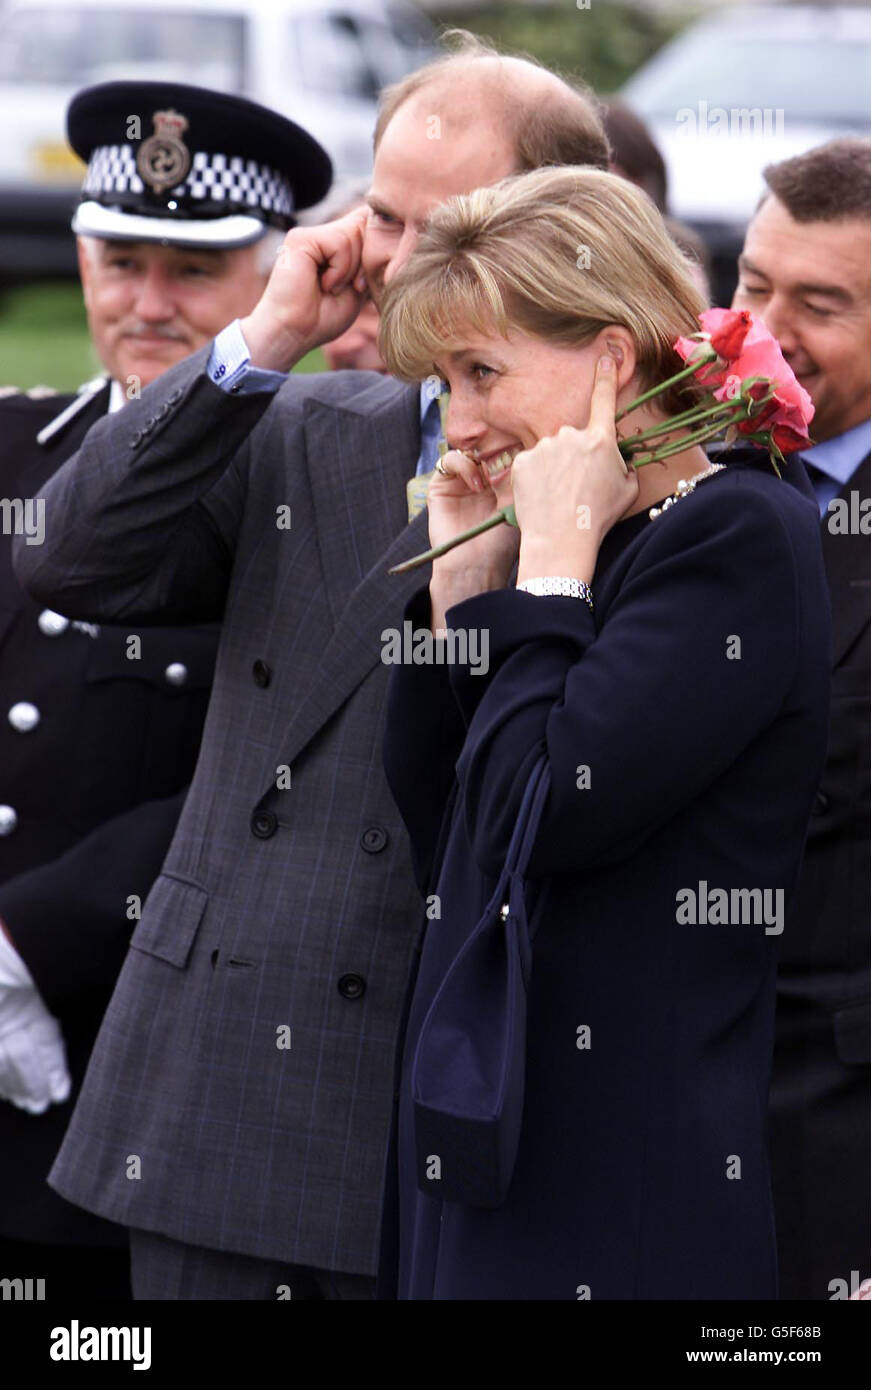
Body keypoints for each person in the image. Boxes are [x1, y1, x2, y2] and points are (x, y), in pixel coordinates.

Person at [12, 33, 611, 1301]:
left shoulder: (649, 472)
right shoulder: (303, 421)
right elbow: (71, 561)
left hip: (465, 1102)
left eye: (434, 227)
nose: (387, 260)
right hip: (230, 1100)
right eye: (378, 213)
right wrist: (262, 338)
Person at [373, 165, 832, 1300]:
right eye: (444, 381)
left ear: (612, 357)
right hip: (490, 1130)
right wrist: (466, 595)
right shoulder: (580, 548)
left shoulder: (732, 532)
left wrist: (545, 576)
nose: (461, 422)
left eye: (482, 372)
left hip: (618, 1162)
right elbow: (450, 828)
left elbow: (553, 811)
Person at [0, 79, 330, 1300]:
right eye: (118, 259)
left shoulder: (313, 485)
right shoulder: (11, 441)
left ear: (276, 277)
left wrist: (30, 940)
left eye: (188, 272)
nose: (145, 305)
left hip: (139, 1054)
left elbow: (274, 777)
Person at [732, 137, 871, 1301]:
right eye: (749, 284)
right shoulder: (661, 470)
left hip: (829, 1132)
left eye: (818, 304)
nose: (766, 332)